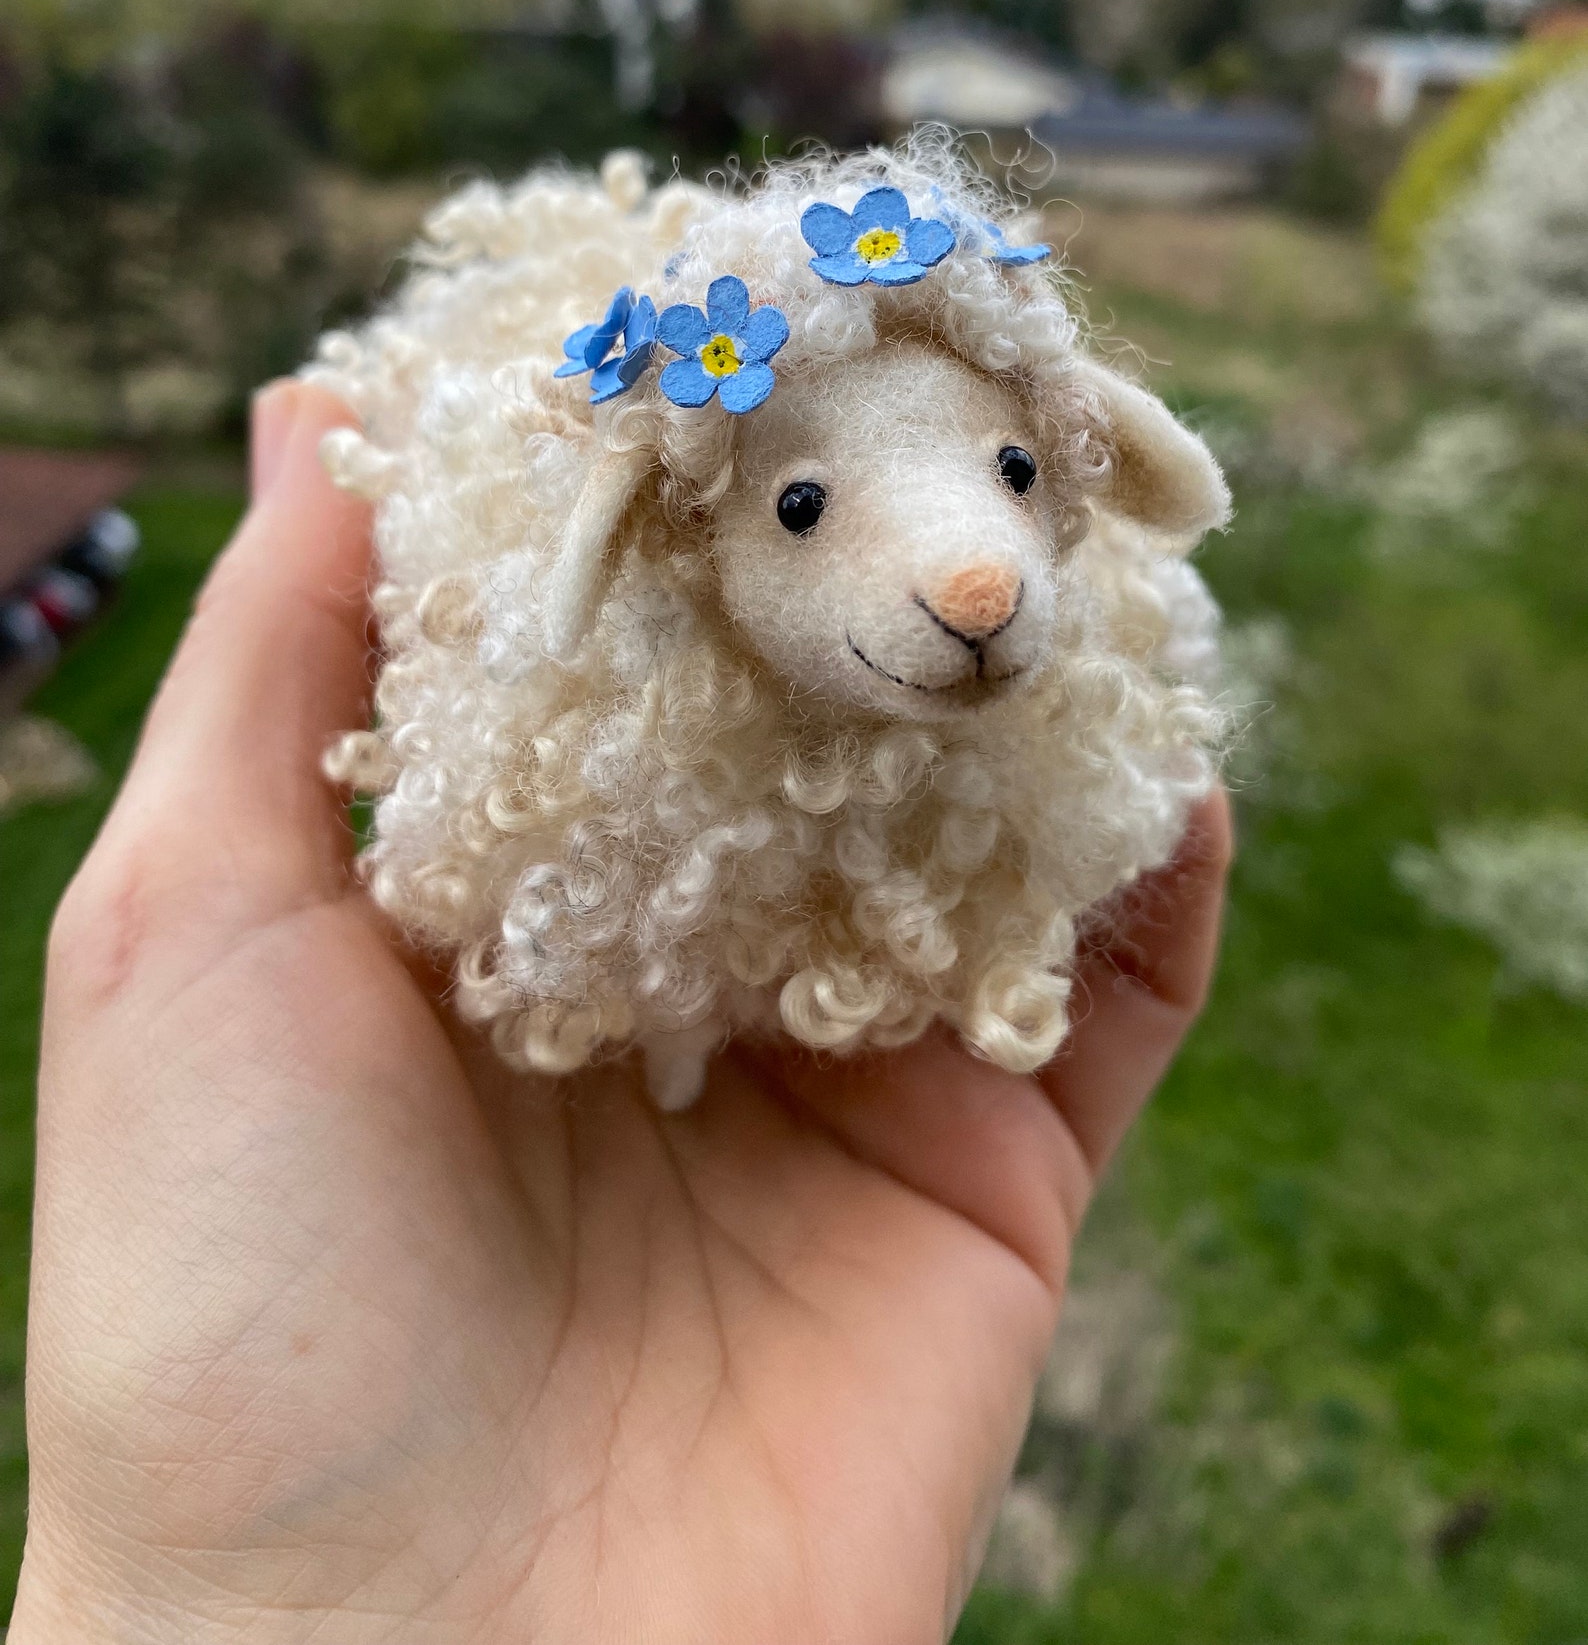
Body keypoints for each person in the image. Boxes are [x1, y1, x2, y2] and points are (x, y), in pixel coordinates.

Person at [10, 380, 1230, 1644]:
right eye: (801, 503)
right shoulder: (597, 773)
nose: (978, 576)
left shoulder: (1024, 753)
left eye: (1016, 470)